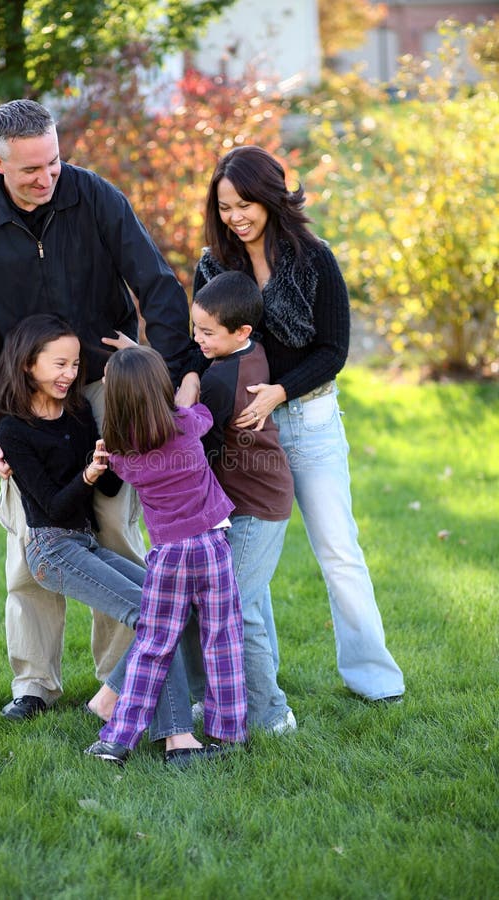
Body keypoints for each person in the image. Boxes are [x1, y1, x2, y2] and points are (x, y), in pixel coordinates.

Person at [0, 98, 200, 720]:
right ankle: (34, 684)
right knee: (33, 542)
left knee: (111, 525)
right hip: (20, 404)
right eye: (30, 169)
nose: (47, 178)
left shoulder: (94, 196)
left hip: (103, 386)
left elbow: (157, 284)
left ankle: (120, 674)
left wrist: (159, 372)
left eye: (54, 162)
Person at [193, 145, 405, 703]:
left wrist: (281, 392)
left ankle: (374, 679)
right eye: (225, 206)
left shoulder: (314, 258)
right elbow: (205, 347)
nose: (235, 216)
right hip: (241, 433)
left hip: (307, 423)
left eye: (245, 204)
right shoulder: (214, 266)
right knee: (246, 561)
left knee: (337, 548)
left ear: (271, 198)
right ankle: (259, 687)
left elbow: (333, 350)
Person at [0, 313, 205, 766]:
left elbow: (103, 492)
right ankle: (178, 742)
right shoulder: (12, 431)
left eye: (75, 364)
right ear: (28, 365)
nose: (69, 375)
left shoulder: (80, 413)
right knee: (153, 613)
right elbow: (52, 505)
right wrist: (87, 473)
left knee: (170, 604)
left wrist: (109, 457)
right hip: (50, 549)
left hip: (81, 544)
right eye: (59, 364)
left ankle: (110, 699)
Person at [85, 345, 247, 765]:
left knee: (153, 646)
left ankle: (116, 739)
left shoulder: (122, 457)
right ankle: (229, 734)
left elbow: (118, 455)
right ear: (162, 388)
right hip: (212, 546)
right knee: (223, 639)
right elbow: (203, 414)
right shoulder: (186, 424)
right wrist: (190, 382)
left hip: (168, 558)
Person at [182, 271, 296, 733]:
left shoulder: (224, 379)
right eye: (196, 329)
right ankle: (216, 697)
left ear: (241, 331)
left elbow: (191, 442)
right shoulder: (251, 353)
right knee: (239, 599)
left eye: (207, 333)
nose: (198, 340)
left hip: (255, 506)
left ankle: (271, 714)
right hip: (250, 500)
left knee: (233, 607)